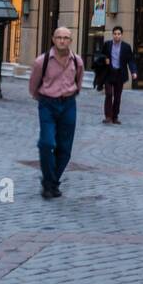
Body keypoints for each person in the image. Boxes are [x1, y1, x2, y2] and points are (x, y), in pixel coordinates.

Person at [28, 28, 84, 199]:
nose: (62, 41)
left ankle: (51, 183)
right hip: (47, 104)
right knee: (46, 143)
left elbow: (79, 82)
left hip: (68, 104)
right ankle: (49, 182)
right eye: (59, 37)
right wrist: (44, 99)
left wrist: (70, 95)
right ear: (53, 39)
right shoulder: (41, 61)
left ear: (70, 41)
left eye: (66, 38)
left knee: (65, 149)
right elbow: (33, 87)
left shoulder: (77, 61)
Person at [95, 25, 137, 125]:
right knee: (109, 94)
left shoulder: (126, 47)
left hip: (120, 74)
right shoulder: (107, 45)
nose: (116, 36)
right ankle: (108, 116)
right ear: (112, 35)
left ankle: (115, 117)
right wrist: (105, 59)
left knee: (117, 97)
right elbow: (101, 55)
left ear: (121, 35)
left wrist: (133, 72)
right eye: (115, 34)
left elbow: (130, 60)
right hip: (109, 73)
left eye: (118, 34)